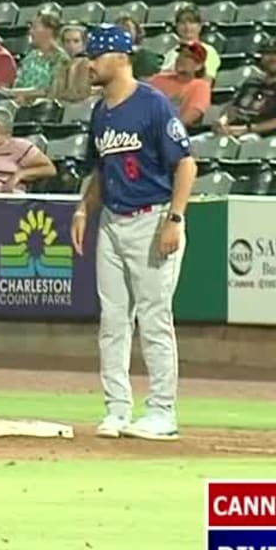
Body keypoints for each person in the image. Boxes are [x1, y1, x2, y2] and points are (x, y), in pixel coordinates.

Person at [70, 24, 195, 442]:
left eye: (97, 56)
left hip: (152, 217)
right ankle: (117, 409)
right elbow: (99, 170)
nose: (89, 64)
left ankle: (162, 412)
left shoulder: (152, 104)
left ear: (120, 58)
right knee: (113, 321)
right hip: (112, 220)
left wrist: (174, 219)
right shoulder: (100, 111)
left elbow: (185, 164)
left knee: (154, 319)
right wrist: (83, 210)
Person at [217, 42, 276, 137]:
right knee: (200, 140)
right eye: (267, 54)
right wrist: (222, 122)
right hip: (233, 130)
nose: (271, 58)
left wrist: (247, 129)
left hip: (261, 136)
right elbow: (232, 108)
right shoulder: (251, 83)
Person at [0, 10, 69, 104]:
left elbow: (51, 91)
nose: (30, 32)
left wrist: (16, 94)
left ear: (49, 30)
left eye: (35, 27)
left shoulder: (61, 59)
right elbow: (18, 83)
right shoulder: (30, 57)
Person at [148, 41, 213, 129]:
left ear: (199, 66)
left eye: (188, 57)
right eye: (180, 55)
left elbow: (190, 116)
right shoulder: (158, 80)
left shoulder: (201, 87)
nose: (181, 59)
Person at [159, 7, 221, 78]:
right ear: (177, 26)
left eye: (192, 22)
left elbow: (207, 80)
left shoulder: (209, 51)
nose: (187, 27)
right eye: (182, 23)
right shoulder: (171, 53)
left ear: (200, 26)